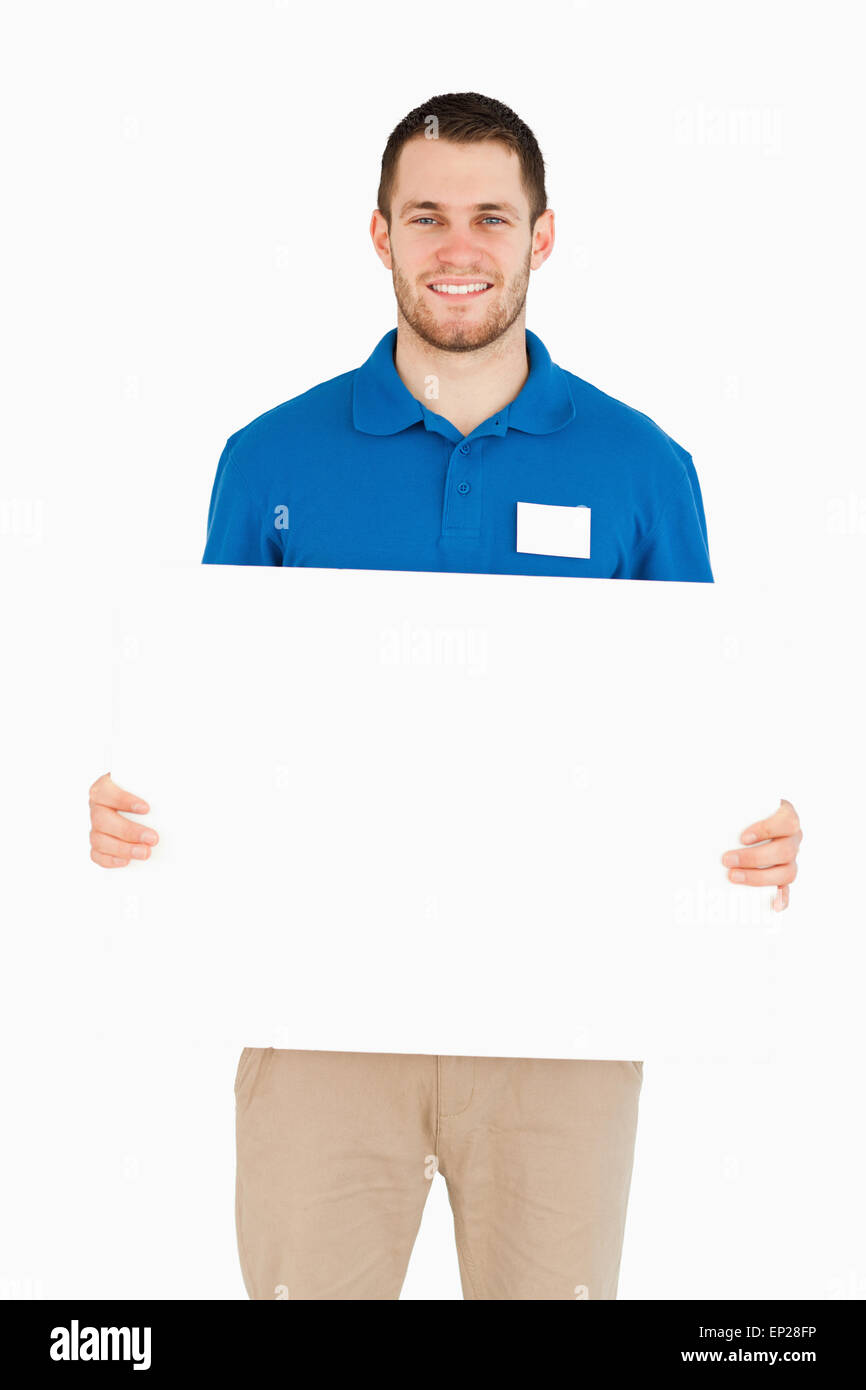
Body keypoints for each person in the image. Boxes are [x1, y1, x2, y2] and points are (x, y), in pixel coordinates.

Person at [88, 92, 802, 1300]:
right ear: (379, 235)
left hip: (561, 1018)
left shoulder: (641, 469)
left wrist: (749, 831)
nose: (456, 247)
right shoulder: (267, 460)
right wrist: (138, 808)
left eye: (489, 216)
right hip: (313, 1007)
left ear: (542, 235)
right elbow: (211, 714)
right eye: (426, 216)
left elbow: (691, 728)